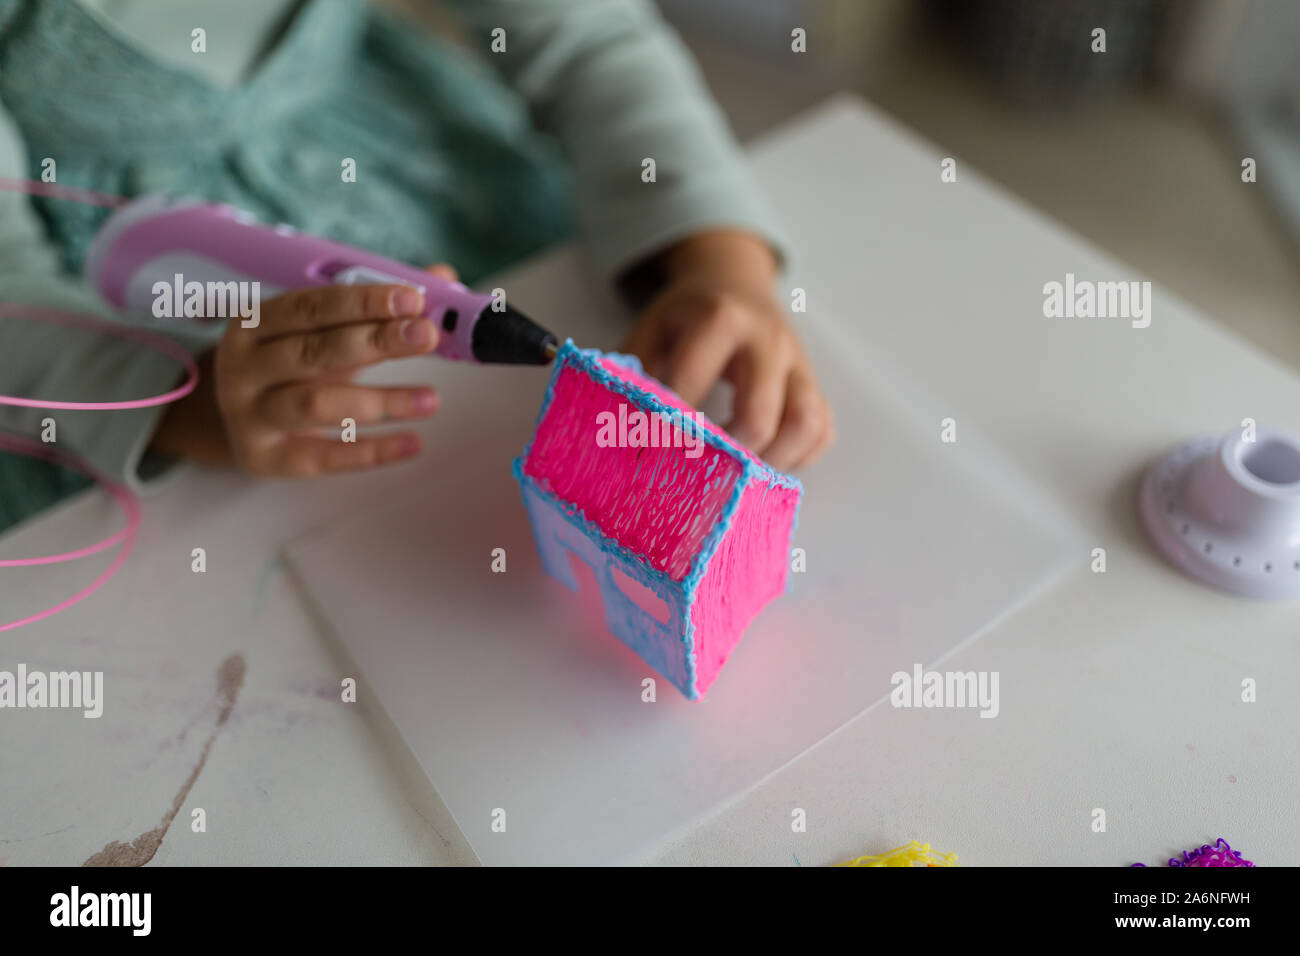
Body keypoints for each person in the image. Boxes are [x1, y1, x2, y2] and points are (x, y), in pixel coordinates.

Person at [0, 0, 833, 530]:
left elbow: (585, 33)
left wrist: (718, 259)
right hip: (87, 315)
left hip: (407, 152)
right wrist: (182, 402)